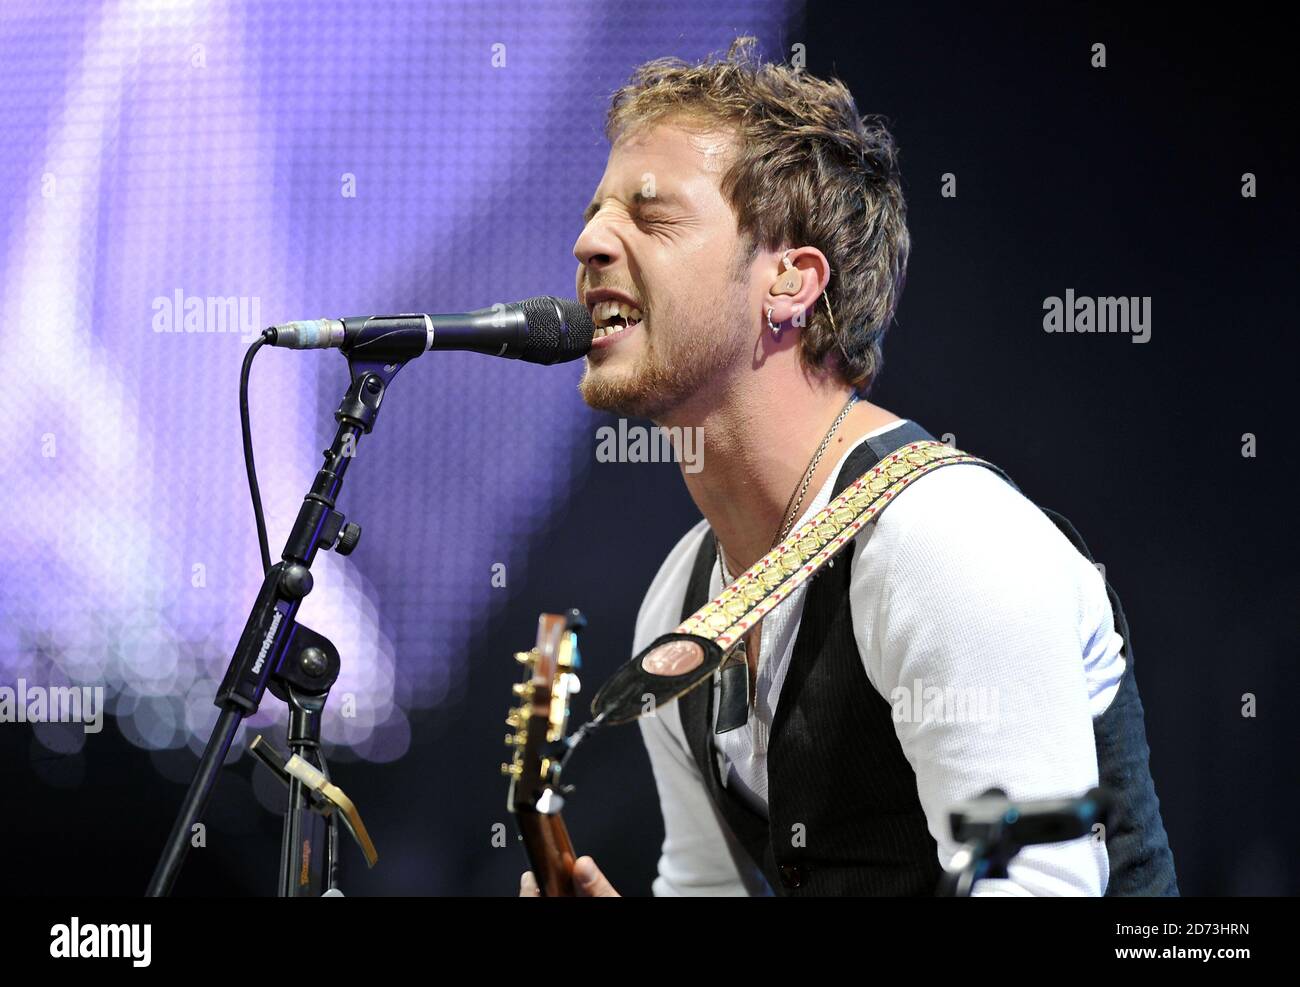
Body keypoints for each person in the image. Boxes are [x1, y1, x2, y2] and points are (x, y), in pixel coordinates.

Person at [522, 37, 1176, 897]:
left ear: (789, 283)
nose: (589, 242)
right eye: (595, 213)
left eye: (651, 216)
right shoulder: (679, 605)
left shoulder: (945, 542)